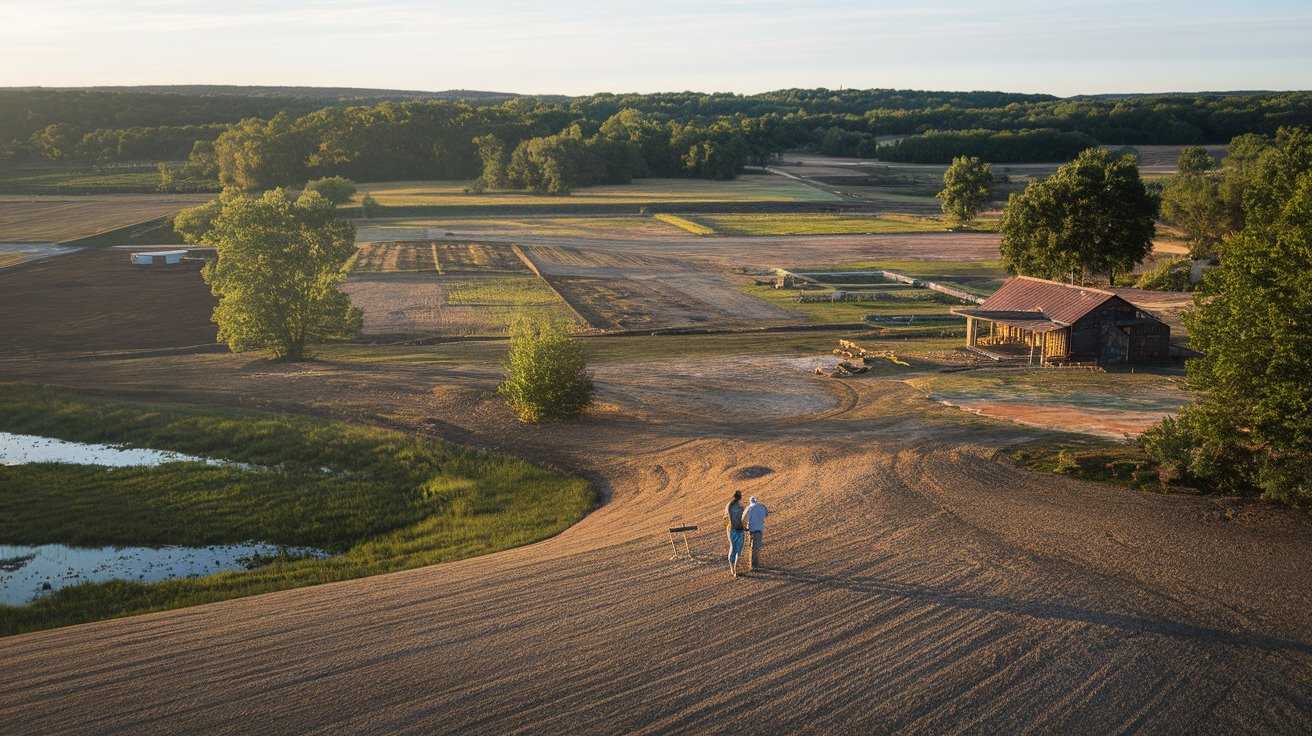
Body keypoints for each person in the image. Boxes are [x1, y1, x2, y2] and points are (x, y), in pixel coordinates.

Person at [741, 496, 769, 571]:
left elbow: (743, 518)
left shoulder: (749, 508)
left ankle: (753, 565)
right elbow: (766, 514)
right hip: (760, 530)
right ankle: (756, 563)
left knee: (752, 547)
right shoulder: (762, 507)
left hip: (752, 530)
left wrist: (744, 527)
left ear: (750, 501)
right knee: (757, 547)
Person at [725, 491, 745, 577]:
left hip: (731, 529)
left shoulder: (729, 506)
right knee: (738, 550)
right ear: (740, 497)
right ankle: (736, 570)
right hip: (740, 530)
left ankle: (732, 569)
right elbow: (743, 519)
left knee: (732, 547)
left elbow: (725, 518)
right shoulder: (741, 507)